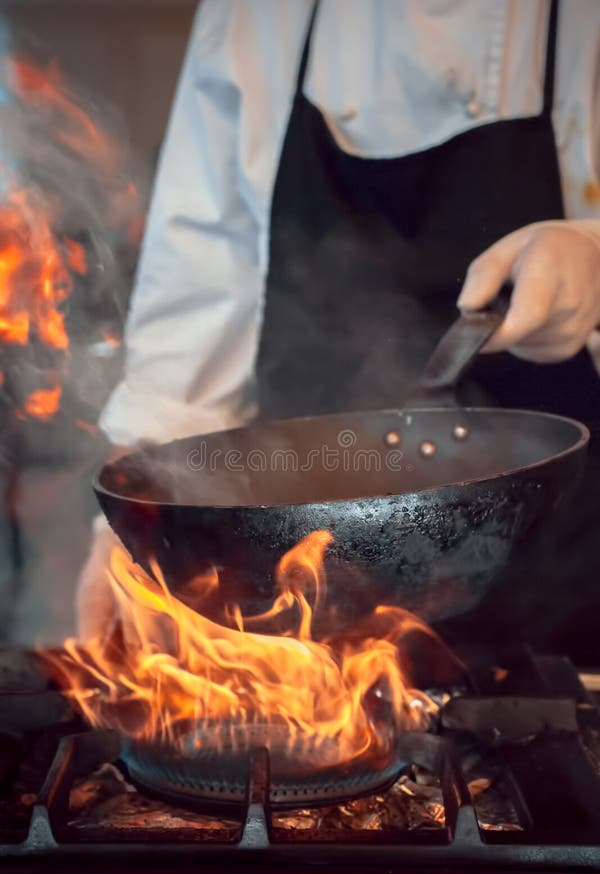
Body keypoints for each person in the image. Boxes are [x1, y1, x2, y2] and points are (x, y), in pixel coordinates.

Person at [77, 0, 600, 660]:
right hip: (307, 608)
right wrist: (138, 530)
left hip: (565, 581)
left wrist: (594, 251)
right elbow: (205, 257)